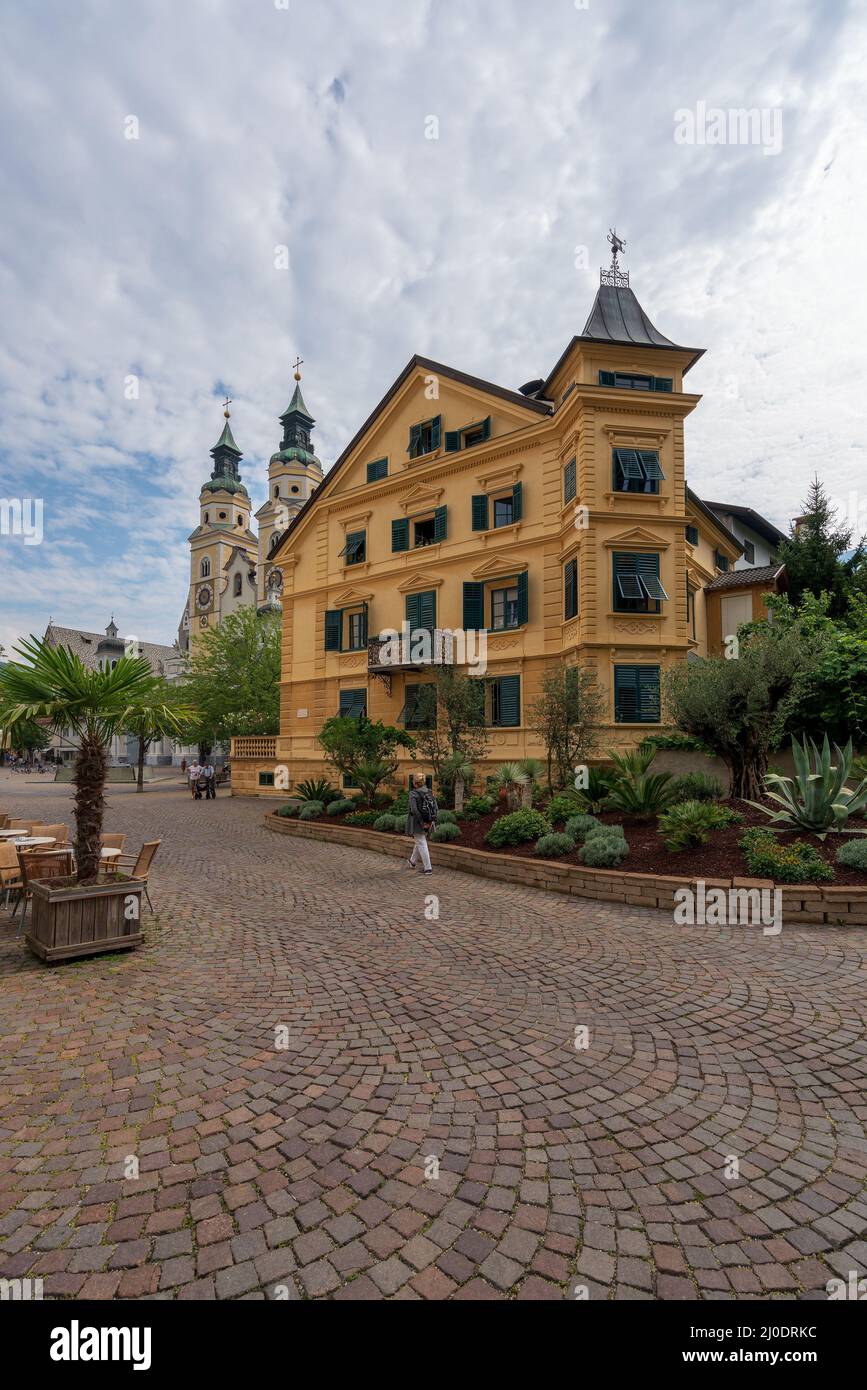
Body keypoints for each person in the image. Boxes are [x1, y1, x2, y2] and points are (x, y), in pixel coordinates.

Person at [404, 772, 438, 873]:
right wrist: (431, 821)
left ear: (414, 783)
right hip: (429, 820)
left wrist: (422, 822)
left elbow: (414, 810)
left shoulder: (413, 793)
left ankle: (428, 868)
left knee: (421, 842)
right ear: (423, 782)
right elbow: (435, 807)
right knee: (419, 841)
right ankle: (412, 861)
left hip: (417, 822)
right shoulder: (430, 791)